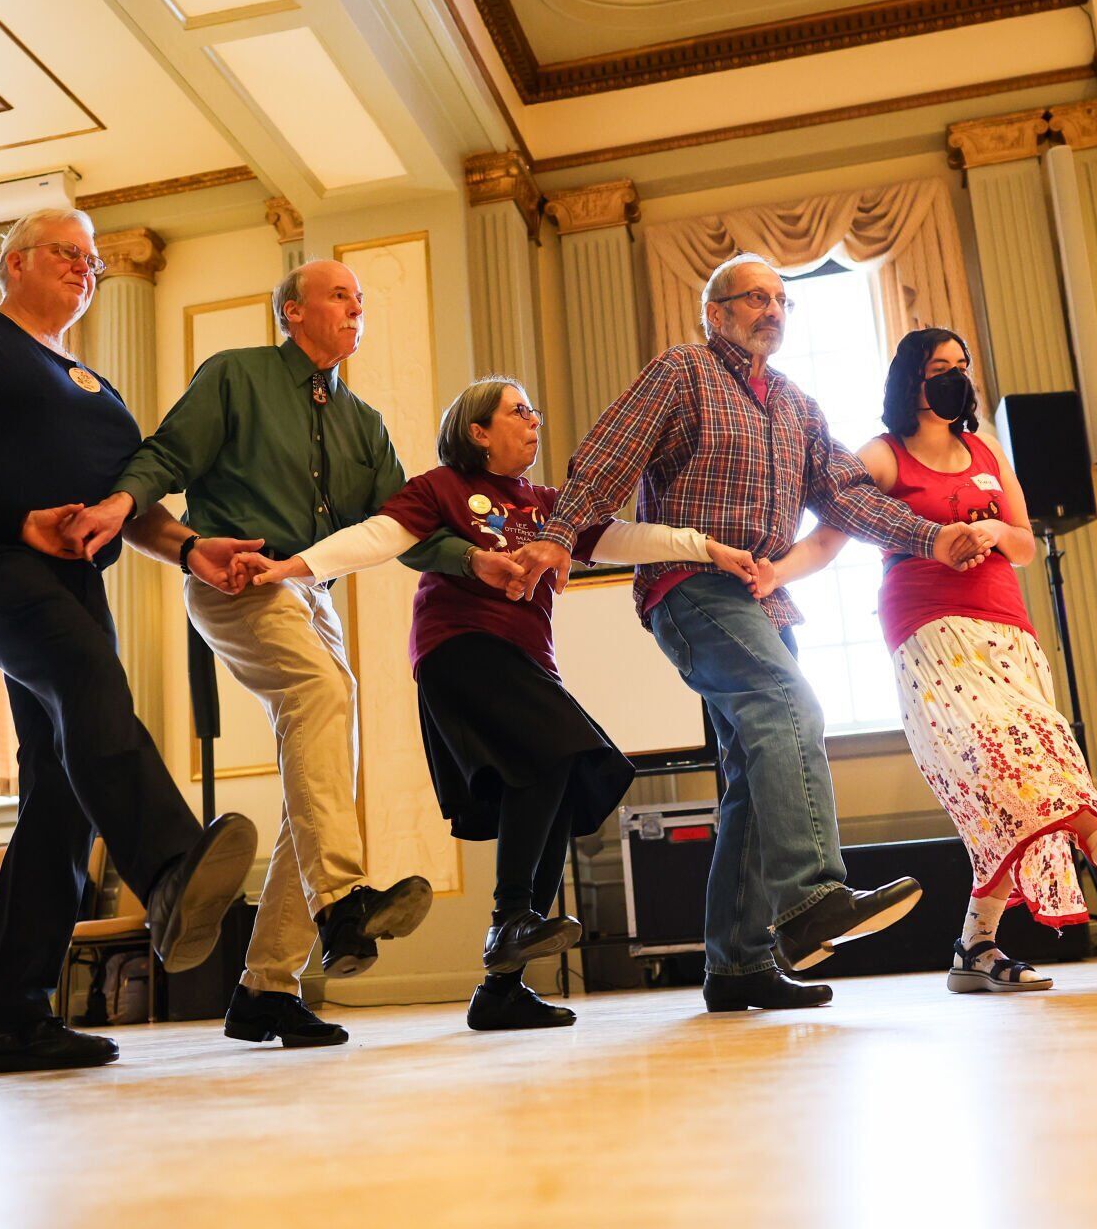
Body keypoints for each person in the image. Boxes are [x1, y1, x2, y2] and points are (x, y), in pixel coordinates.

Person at [513, 252, 997, 1013]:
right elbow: (608, 454)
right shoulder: (682, 372)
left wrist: (931, 537)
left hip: (763, 600)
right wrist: (560, 531)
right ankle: (813, 899)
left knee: (748, 776)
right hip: (692, 586)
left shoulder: (799, 406)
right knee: (787, 705)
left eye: (781, 300)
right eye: (754, 298)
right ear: (717, 312)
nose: (771, 309)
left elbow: (846, 495)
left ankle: (736, 966)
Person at [62, 260, 514, 1047]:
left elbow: (402, 525)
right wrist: (122, 505)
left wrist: (475, 559)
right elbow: (166, 456)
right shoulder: (235, 377)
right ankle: (340, 901)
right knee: (322, 699)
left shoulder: (363, 423)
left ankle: (265, 986)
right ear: (292, 312)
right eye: (340, 295)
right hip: (237, 574)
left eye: (361, 299)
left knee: (324, 766)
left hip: (311, 590)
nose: (355, 307)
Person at [243, 377, 759, 1029]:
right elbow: (379, 536)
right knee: (557, 754)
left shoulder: (550, 506)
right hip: (460, 648)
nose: (534, 420)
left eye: (535, 410)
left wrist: (704, 547)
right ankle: (511, 919)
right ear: (478, 431)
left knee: (566, 774)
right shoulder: (441, 488)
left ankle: (502, 986)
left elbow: (624, 539)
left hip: (525, 661)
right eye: (519, 411)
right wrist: (297, 566)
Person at [748, 327, 1097, 991]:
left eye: (960, 365)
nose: (953, 375)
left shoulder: (984, 448)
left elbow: (1025, 543)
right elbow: (831, 534)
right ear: (909, 380)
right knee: (1012, 754)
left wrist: (995, 531)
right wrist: (776, 573)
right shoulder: (883, 456)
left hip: (1007, 626)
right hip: (930, 630)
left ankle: (976, 946)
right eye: (937, 366)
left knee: (1021, 774)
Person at [0, 209, 257, 1075]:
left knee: (59, 788)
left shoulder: (97, 387)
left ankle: (5, 1019)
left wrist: (191, 548)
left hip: (70, 585)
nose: (86, 270)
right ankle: (169, 865)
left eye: (95, 262)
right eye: (69, 253)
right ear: (13, 262)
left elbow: (127, 505)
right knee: (89, 673)